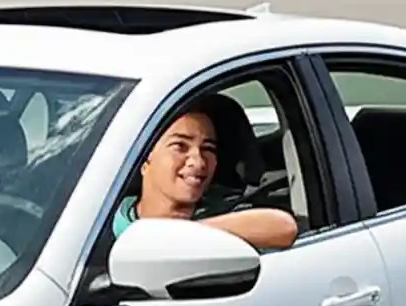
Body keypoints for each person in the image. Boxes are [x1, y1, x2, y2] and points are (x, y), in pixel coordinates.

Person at [114, 100, 298, 251]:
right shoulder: (101, 222)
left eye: (208, 149)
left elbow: (283, 227)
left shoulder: (222, 210)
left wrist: (182, 235)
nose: (199, 162)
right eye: (180, 146)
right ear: (145, 161)